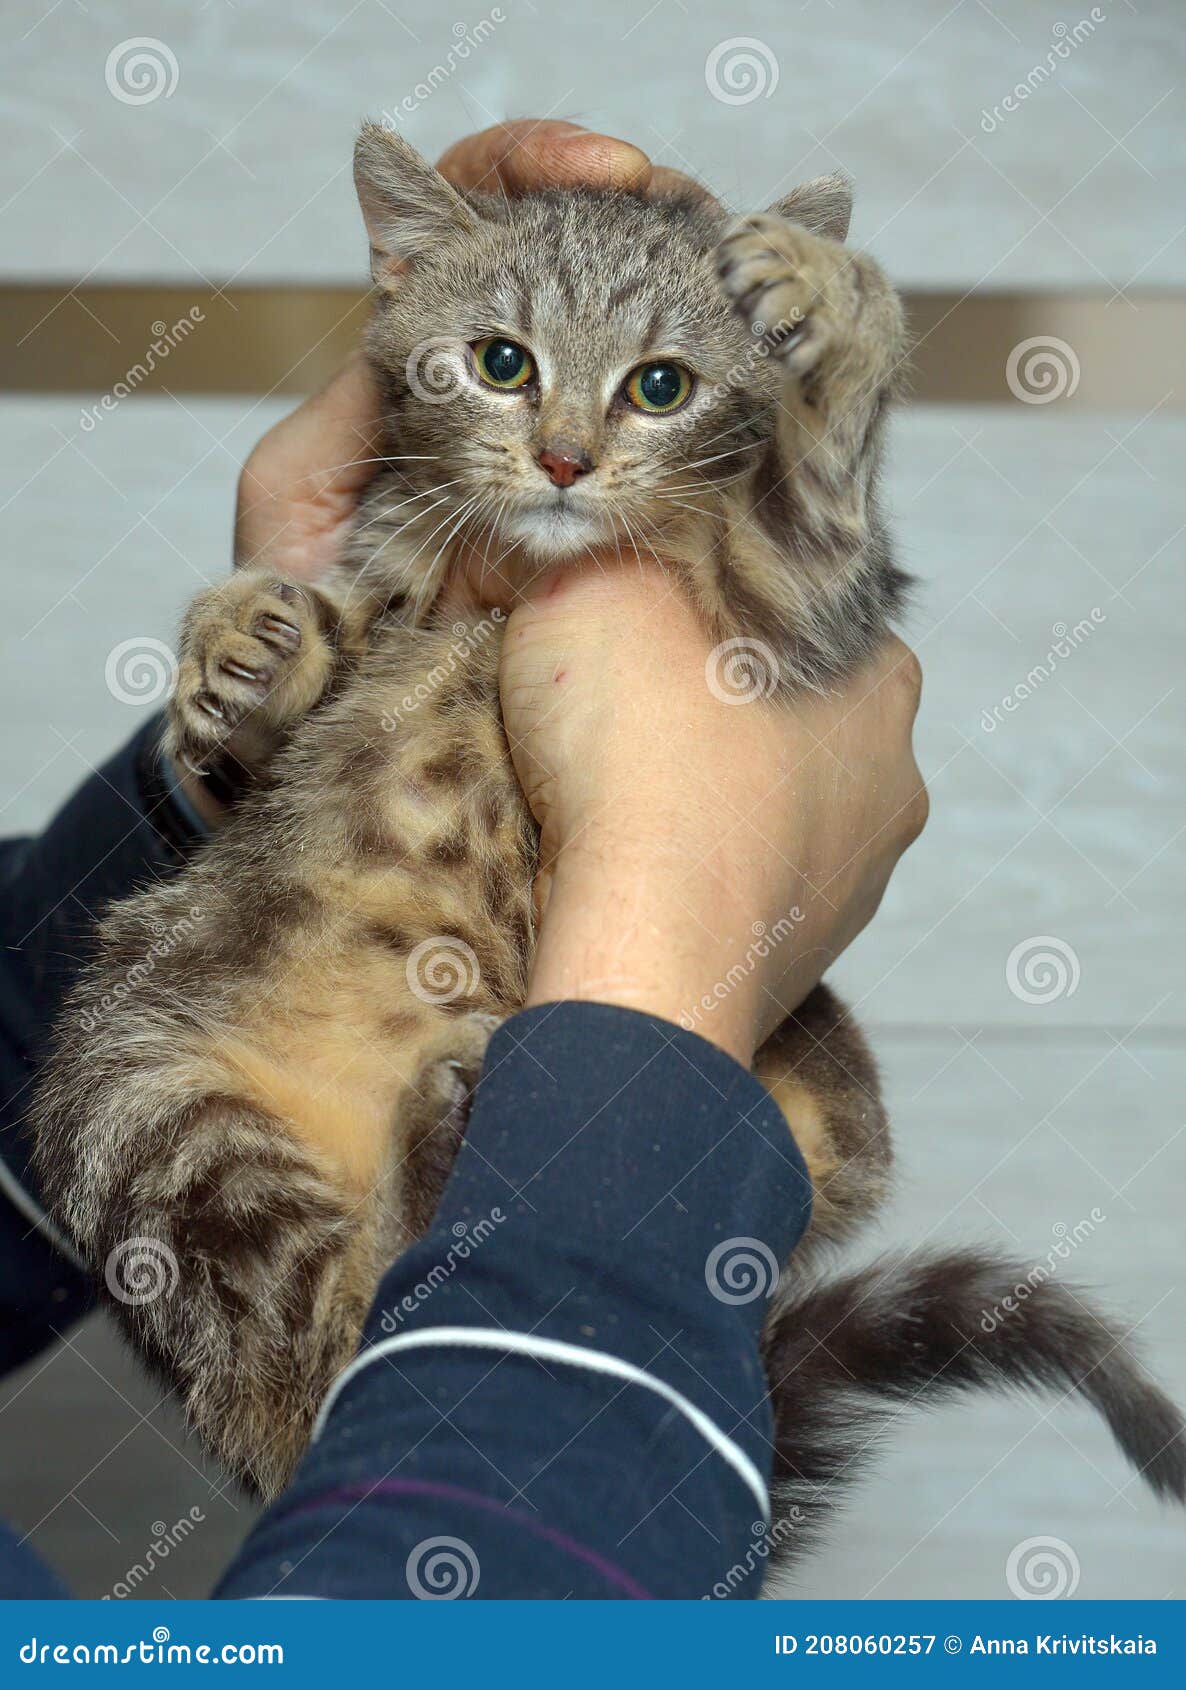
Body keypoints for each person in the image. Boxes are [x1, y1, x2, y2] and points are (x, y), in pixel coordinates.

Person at [0, 122, 926, 1599]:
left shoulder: (675, 531)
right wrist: (661, 974)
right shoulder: (419, 523)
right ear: (403, 290)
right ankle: (400, 1328)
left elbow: (818, 586)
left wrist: (835, 351)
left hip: (438, 1014)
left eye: (655, 388)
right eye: (502, 366)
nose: (564, 446)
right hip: (362, 1093)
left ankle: (470, 1281)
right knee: (121, 1074)